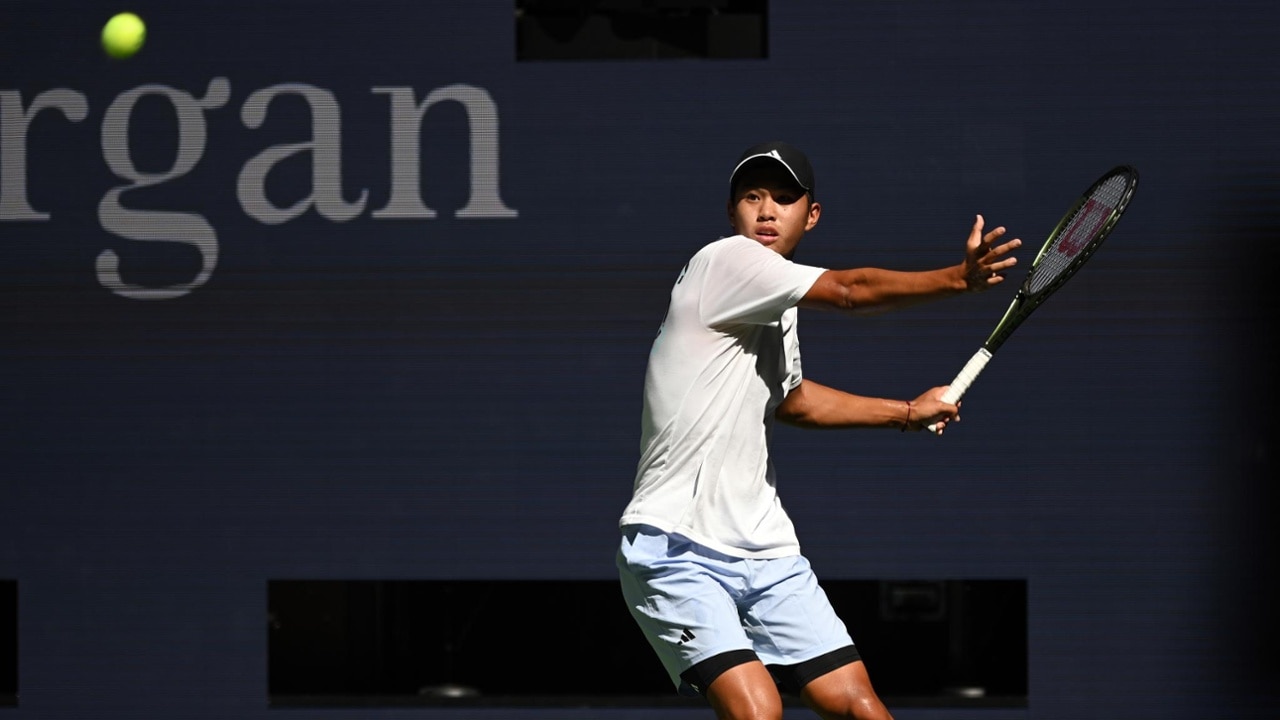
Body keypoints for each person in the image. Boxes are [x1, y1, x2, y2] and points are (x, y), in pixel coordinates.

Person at [615, 140, 1021, 720]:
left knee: (858, 704)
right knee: (758, 710)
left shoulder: (776, 303)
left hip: (764, 547)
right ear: (730, 213)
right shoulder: (726, 260)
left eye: (784, 199)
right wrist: (960, 279)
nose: (766, 211)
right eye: (751, 197)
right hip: (675, 546)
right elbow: (851, 291)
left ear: (812, 215)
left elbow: (794, 401)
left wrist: (907, 411)